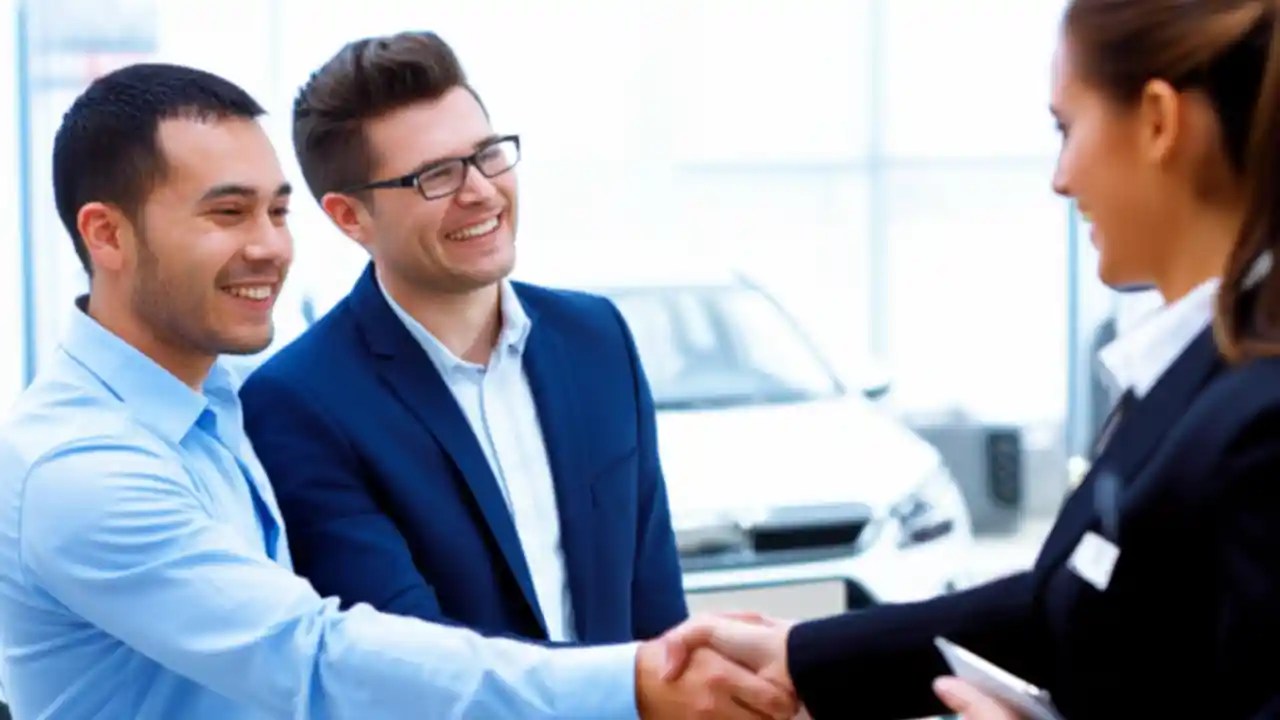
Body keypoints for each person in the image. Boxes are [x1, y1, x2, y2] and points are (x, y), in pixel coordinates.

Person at [0, 61, 795, 720]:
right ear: (105, 234)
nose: (270, 247)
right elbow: (316, 658)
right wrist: (634, 683)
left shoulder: (219, 403)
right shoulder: (82, 468)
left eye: (277, 211)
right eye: (229, 213)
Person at [671, 1, 1280, 718]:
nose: (1061, 177)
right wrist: (802, 655)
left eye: (1067, 127)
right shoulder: (1199, 373)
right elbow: (1065, 605)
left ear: (1156, 121)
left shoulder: (1259, 415)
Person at [238, 31, 688, 646]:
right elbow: (412, 662)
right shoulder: (297, 405)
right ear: (350, 216)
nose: (480, 190)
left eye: (488, 154)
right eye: (436, 175)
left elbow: (656, 608)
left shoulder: (596, 339)